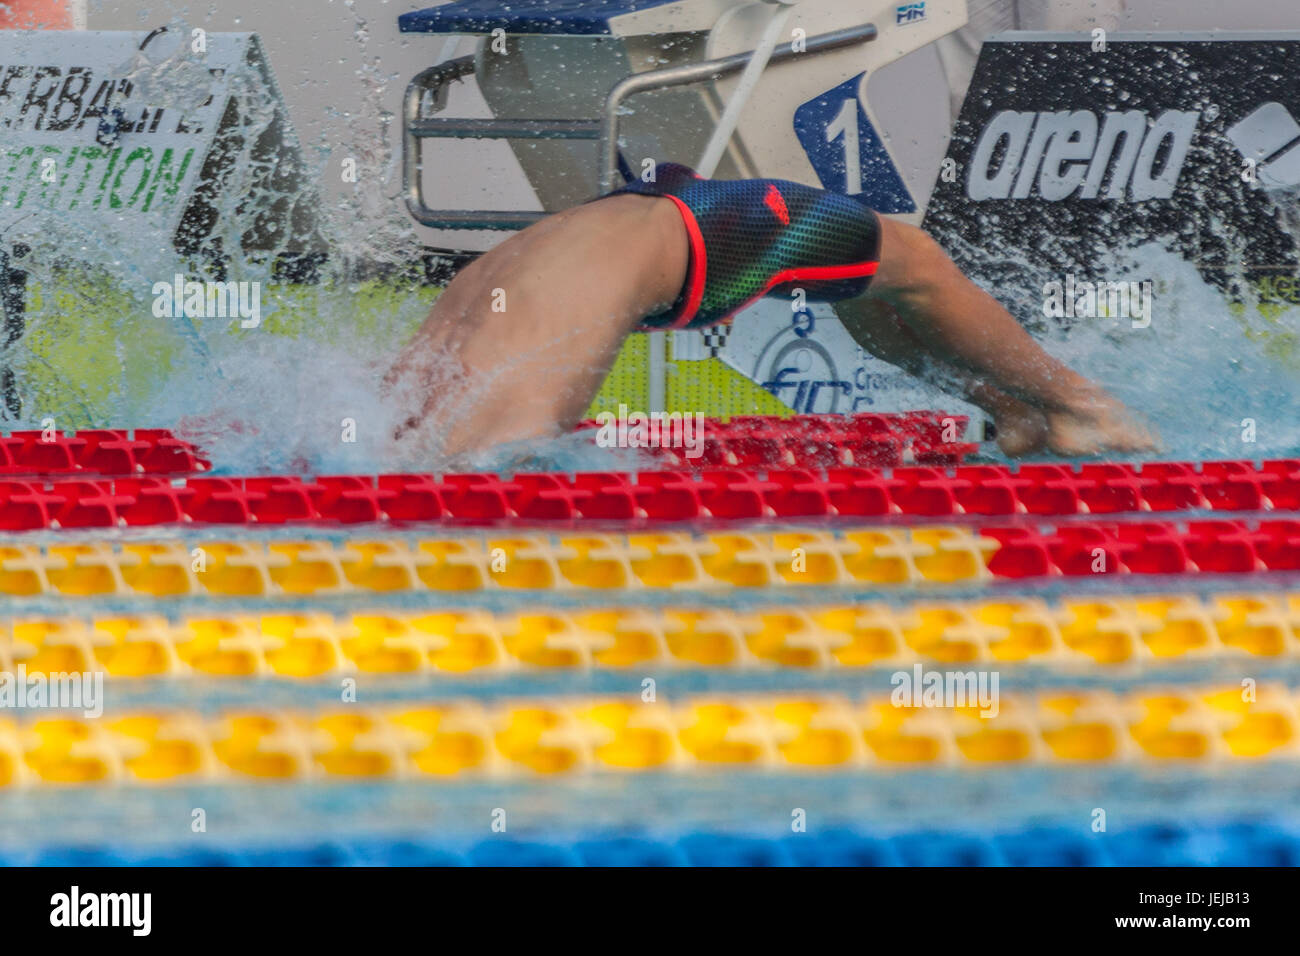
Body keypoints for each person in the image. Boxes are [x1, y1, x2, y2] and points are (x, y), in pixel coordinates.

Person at [384, 161, 1155, 461]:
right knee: (883, 282)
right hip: (663, 225)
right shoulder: (458, 355)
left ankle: (1081, 406)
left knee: (914, 266)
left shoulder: (519, 341)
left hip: (701, 228)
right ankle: (1020, 407)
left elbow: (497, 469)